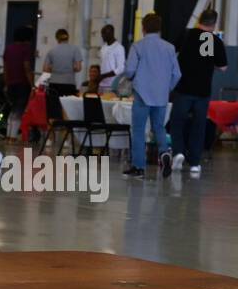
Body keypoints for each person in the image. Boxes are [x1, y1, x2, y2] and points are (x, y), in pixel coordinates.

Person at [122, 12, 180, 178]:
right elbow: (177, 74)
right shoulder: (169, 48)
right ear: (160, 29)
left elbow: (130, 70)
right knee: (159, 127)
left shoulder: (138, 46)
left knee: (139, 130)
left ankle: (138, 167)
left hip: (142, 93)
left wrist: (131, 77)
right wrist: (166, 88)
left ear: (143, 28)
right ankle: (164, 151)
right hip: (161, 95)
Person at [169, 9, 228, 175]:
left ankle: (178, 152)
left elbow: (171, 53)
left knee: (177, 122)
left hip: (183, 89)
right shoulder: (212, 40)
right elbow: (223, 67)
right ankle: (195, 163)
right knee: (198, 126)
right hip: (202, 91)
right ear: (214, 24)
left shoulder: (187, 35)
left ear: (199, 20)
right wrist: (209, 63)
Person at [3, 26, 35, 139]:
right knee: (19, 110)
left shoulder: (9, 48)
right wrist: (32, 85)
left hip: (11, 83)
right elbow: (26, 67)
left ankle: (8, 135)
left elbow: (5, 68)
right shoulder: (26, 48)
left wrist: (6, 84)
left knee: (12, 109)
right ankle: (12, 137)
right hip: (22, 83)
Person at [43, 28, 82, 98]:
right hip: (69, 83)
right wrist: (69, 68)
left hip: (54, 83)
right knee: (68, 107)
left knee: (54, 106)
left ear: (56, 38)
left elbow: (45, 69)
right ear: (68, 38)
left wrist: (55, 69)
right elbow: (78, 68)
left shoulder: (51, 51)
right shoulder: (75, 49)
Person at [97, 24, 125, 93]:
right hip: (101, 84)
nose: (102, 36)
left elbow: (121, 68)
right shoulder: (103, 48)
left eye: (104, 33)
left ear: (111, 33)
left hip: (113, 85)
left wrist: (104, 75)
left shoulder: (119, 47)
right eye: (102, 33)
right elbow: (103, 64)